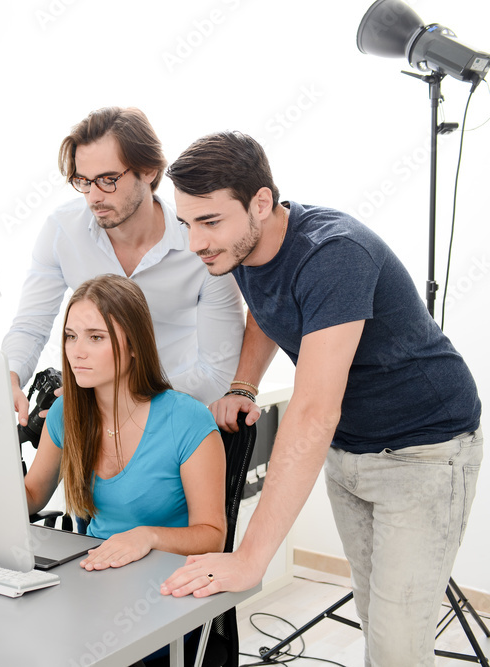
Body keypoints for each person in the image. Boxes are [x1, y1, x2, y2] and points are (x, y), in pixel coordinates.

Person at [162, 130, 483, 667]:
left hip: (427, 451)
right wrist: (244, 384)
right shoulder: (239, 246)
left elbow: (312, 413)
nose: (196, 242)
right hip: (351, 449)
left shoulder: (334, 255)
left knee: (399, 645)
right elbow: (266, 308)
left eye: (209, 221)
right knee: (375, 614)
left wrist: (250, 559)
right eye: (186, 223)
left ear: (260, 202)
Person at [2, 107, 245, 418]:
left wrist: (119, 398)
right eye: (83, 181)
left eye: (107, 179)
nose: (93, 197)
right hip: (93, 418)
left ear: (149, 171)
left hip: (174, 416)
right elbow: (30, 326)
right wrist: (9, 379)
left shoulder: (201, 246)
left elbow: (215, 372)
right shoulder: (62, 230)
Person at [23, 274, 226, 565]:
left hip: (166, 580)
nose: (76, 352)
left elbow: (212, 537)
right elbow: (33, 495)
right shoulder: (65, 413)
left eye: (96, 337)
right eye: (71, 336)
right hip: (94, 569)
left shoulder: (187, 419)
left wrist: (148, 536)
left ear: (133, 345)